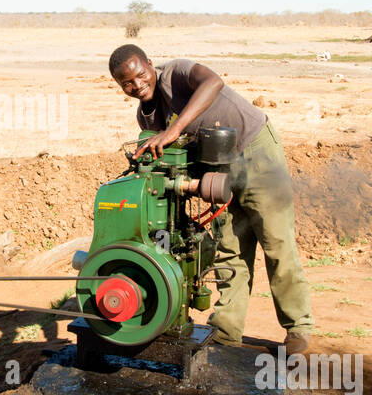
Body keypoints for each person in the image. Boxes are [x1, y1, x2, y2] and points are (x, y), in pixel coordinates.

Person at [108, 44, 314, 354]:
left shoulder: (177, 74)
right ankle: (227, 330)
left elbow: (213, 82)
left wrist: (173, 130)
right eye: (127, 83)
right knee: (229, 249)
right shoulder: (147, 118)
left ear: (151, 65)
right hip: (217, 170)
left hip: (254, 150)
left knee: (276, 243)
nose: (137, 85)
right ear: (118, 85)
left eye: (140, 75)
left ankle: (298, 329)